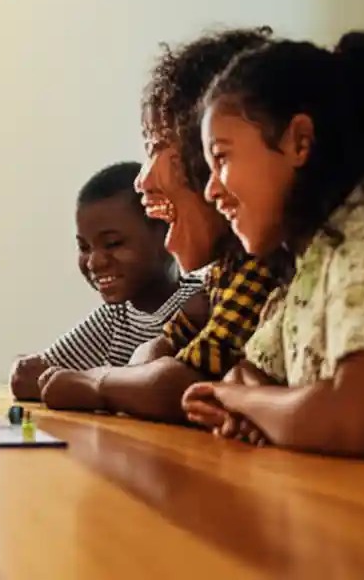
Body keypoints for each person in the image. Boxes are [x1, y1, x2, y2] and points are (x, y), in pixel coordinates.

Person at [181, 32, 364, 479]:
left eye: (221, 158)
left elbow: (354, 419)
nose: (210, 190)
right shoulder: (310, 262)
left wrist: (247, 405)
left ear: (299, 142)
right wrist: (257, 405)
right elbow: (246, 377)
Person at [37, 28, 290, 422]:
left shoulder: (263, 269)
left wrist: (98, 383)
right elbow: (157, 355)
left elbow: (180, 387)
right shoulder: (217, 283)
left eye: (157, 146)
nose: (143, 180)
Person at [10, 161, 204, 400]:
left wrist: (88, 383)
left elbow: (167, 389)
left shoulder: (199, 305)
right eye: (84, 247)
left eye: (113, 244)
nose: (94, 262)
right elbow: (28, 376)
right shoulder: (115, 316)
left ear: (166, 233)